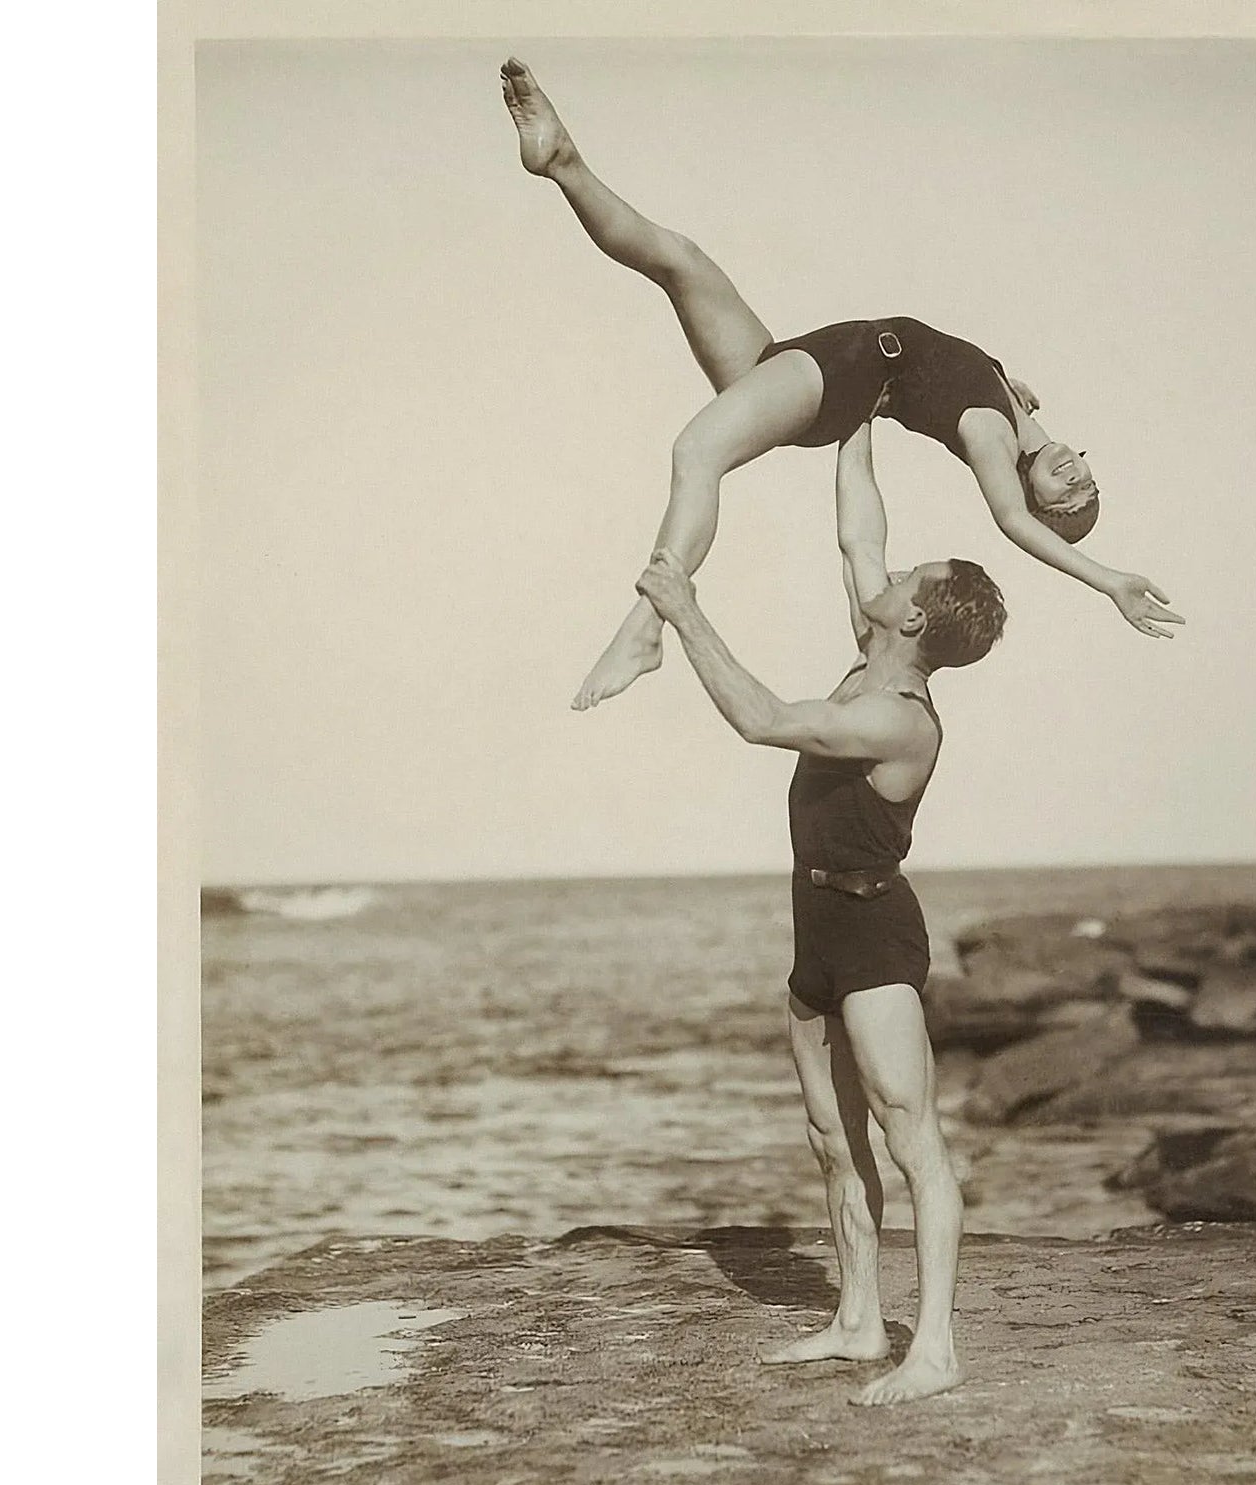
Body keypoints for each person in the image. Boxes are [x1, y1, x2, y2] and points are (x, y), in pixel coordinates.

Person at [499, 58, 1184, 712]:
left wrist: (1109, 580)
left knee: (695, 452)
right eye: (1089, 479)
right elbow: (957, 379)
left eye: (1066, 497)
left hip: (839, 376)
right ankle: (562, 162)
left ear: (1036, 497)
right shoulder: (1008, 401)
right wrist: (1005, 381)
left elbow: (1009, 523)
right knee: (680, 261)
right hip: (820, 362)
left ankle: (648, 624)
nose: (1073, 476)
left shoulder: (990, 435)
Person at [634, 419, 1003, 1406]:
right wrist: (855, 420)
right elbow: (859, 534)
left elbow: (762, 720)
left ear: (917, 618)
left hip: (876, 937)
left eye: (906, 578)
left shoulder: (895, 716)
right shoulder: (873, 654)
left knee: (908, 1135)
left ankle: (934, 1348)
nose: (883, 578)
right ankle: (856, 1319)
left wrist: (684, 608)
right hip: (817, 933)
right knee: (832, 1140)